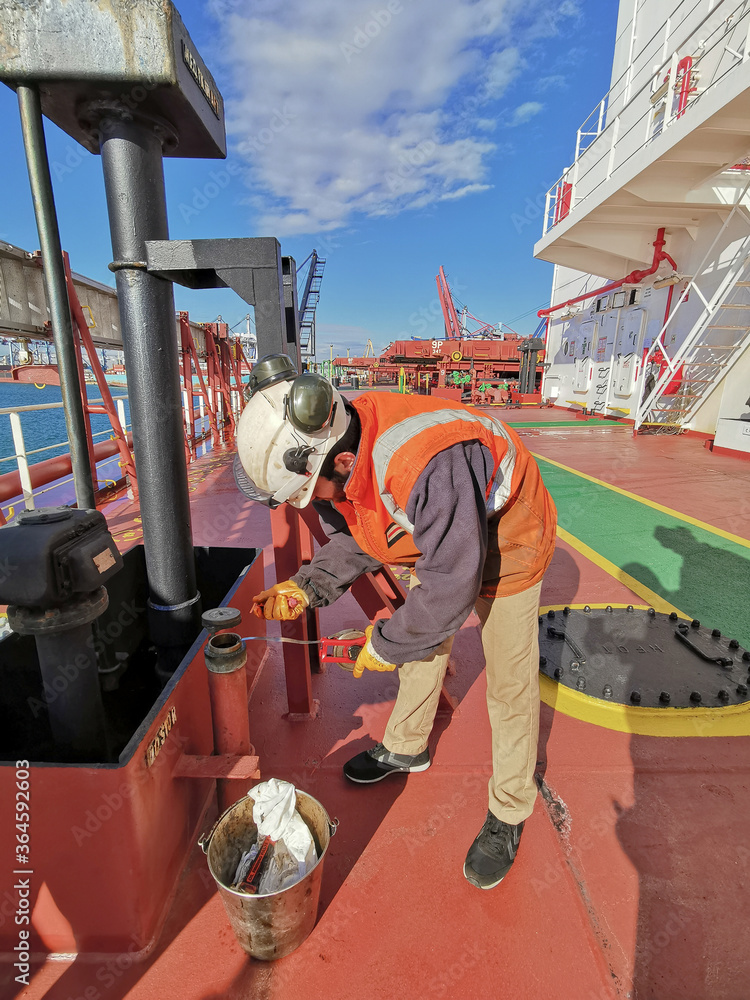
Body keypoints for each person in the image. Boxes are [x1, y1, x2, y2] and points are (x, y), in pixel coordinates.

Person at [234, 355, 557, 890]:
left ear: (335, 464)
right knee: (420, 641)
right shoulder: (346, 442)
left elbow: (453, 584)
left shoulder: (425, 465)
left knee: (509, 681)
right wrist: (305, 586)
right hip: (446, 531)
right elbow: (360, 534)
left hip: (510, 536)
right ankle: (407, 748)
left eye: (309, 495)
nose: (310, 506)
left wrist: (381, 646)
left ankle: (509, 809)